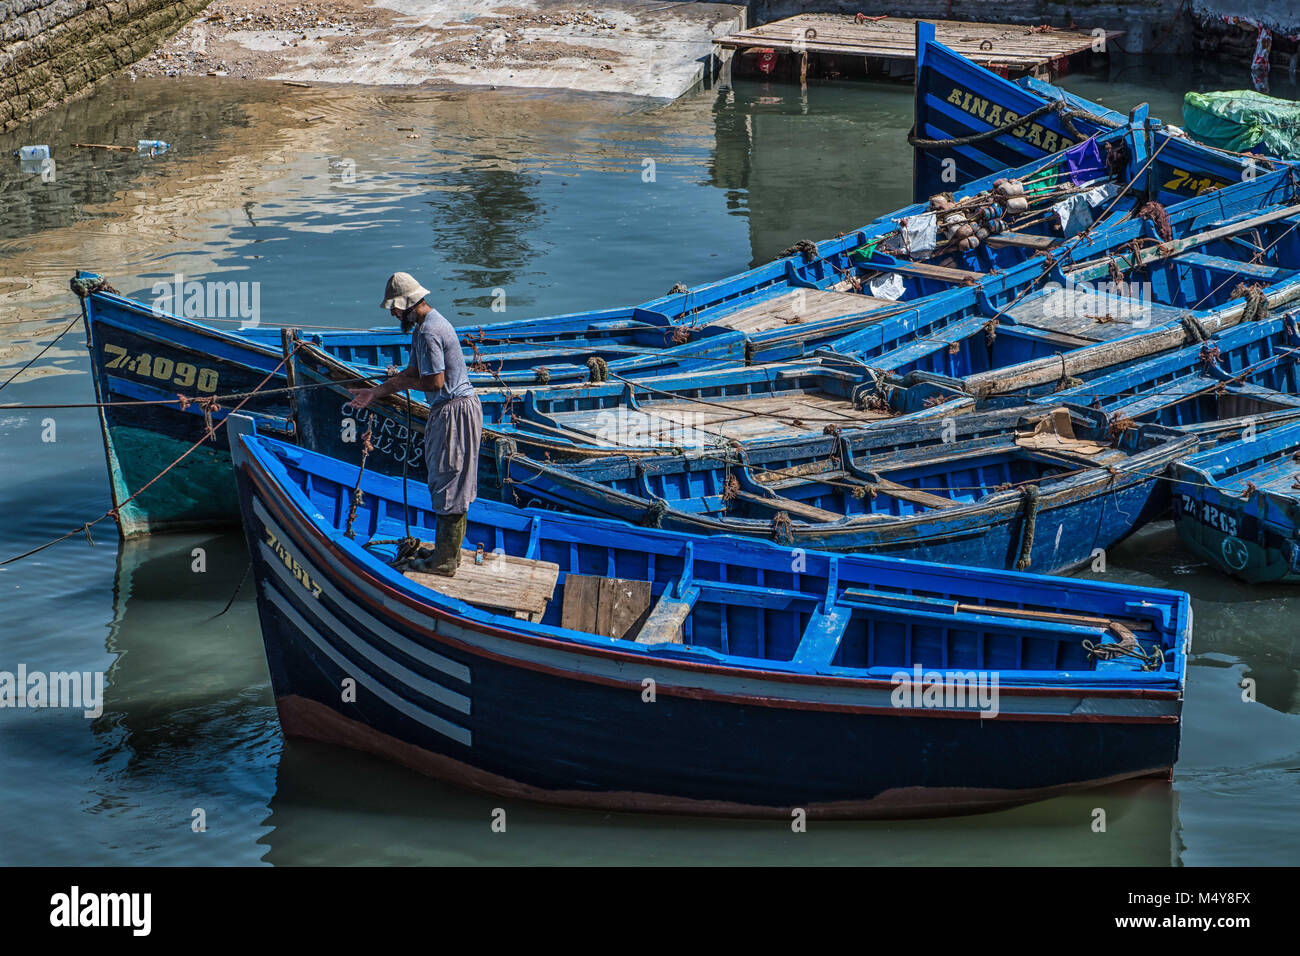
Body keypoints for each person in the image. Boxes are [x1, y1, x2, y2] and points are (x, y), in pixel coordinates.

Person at [348, 272, 481, 576]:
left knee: (450, 483)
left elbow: (434, 381)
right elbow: (410, 373)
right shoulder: (423, 328)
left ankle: (445, 561)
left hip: (454, 411)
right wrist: (375, 392)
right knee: (447, 480)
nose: (393, 313)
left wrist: (399, 385)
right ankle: (448, 553)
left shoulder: (430, 331)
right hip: (450, 410)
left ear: (408, 304)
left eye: (394, 308)